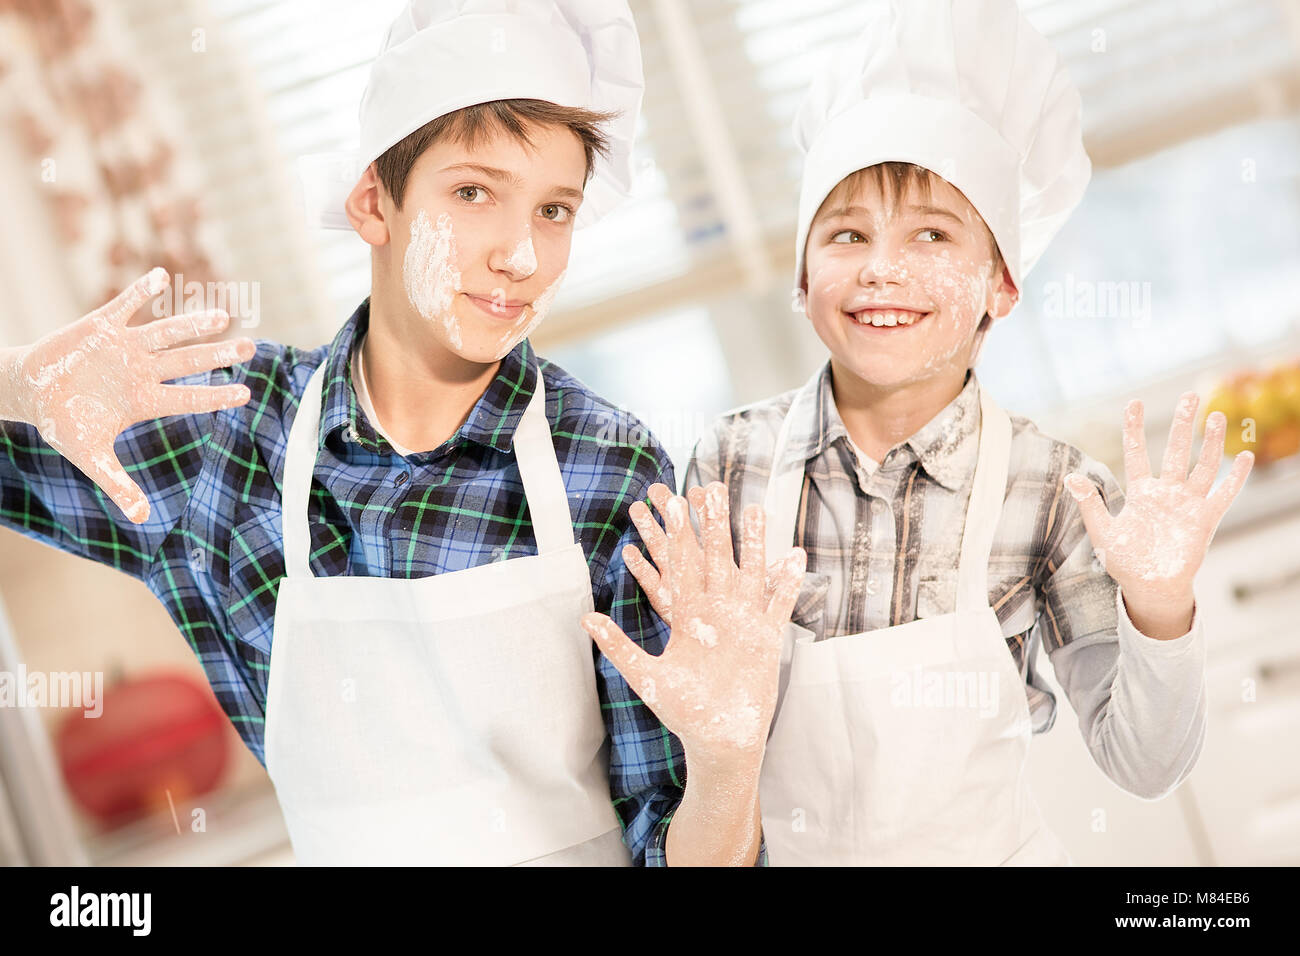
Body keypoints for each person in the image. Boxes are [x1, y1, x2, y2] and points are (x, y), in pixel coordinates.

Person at [0, 0, 789, 866]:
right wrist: (19, 377)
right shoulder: (222, 436)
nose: (521, 255)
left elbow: (672, 848)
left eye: (555, 210)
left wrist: (725, 762)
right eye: (474, 192)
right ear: (374, 201)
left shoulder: (606, 465)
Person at [585, 0, 1254, 866]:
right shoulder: (729, 466)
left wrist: (1160, 607)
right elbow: (694, 755)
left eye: (932, 234)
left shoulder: (1054, 491)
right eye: (847, 234)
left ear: (1001, 285)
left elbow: (1146, 762)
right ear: (802, 276)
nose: (882, 268)